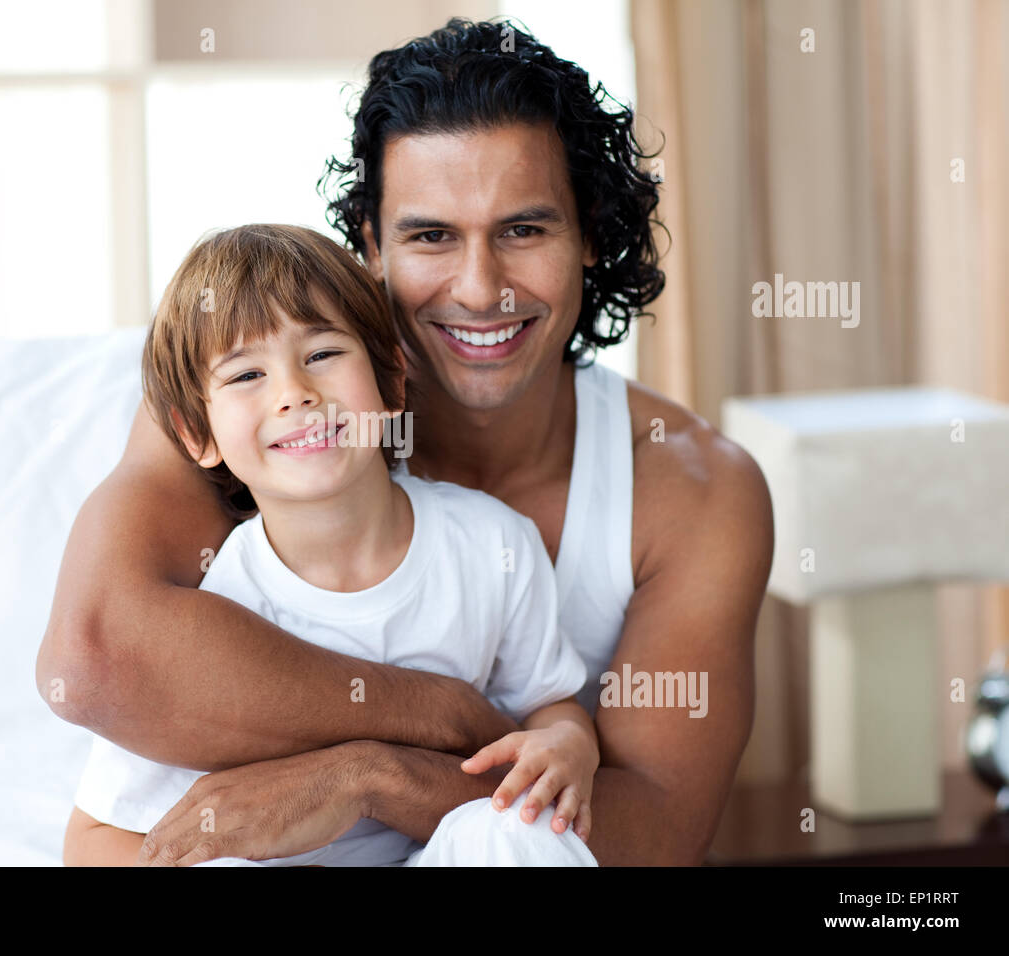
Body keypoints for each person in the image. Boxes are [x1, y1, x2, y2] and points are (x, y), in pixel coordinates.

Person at [39, 17, 774, 866]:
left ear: (591, 236)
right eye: (430, 236)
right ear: (371, 246)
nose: (480, 288)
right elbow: (91, 660)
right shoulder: (254, 414)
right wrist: (447, 716)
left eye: (524, 230)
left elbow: (657, 835)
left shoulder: (696, 492)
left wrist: (367, 777)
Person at [64, 224, 600, 866]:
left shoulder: (492, 544)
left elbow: (551, 706)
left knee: (521, 831)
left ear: (390, 381)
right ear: (196, 435)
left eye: (321, 354)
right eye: (246, 375)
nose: (295, 393)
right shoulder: (217, 608)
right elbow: (98, 838)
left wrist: (568, 746)